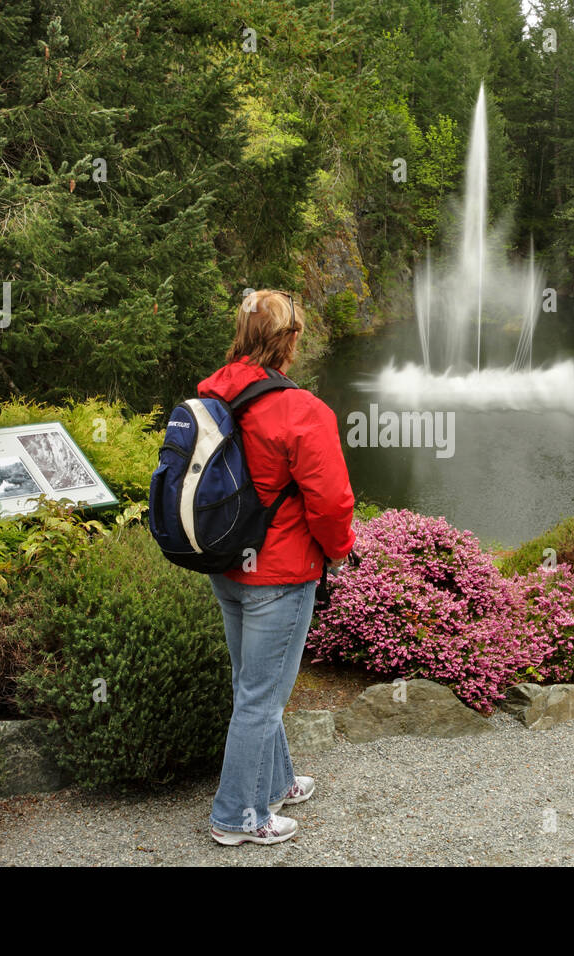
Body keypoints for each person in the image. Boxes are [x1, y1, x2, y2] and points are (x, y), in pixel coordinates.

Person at [197, 289, 356, 846]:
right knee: (261, 698)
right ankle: (236, 817)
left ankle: (279, 781)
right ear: (288, 341)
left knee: (253, 686)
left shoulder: (213, 394)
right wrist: (339, 548)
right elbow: (332, 504)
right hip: (281, 576)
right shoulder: (302, 410)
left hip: (226, 564)